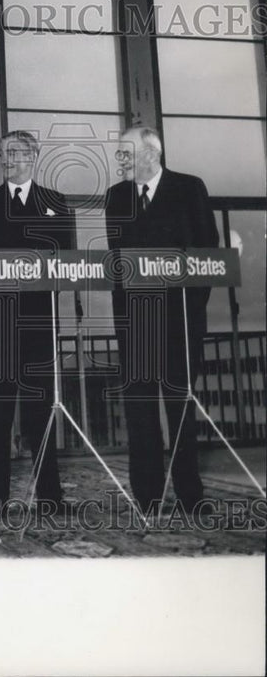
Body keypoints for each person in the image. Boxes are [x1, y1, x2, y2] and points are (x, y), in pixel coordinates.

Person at [0, 130, 76, 518]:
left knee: (41, 412)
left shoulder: (55, 202)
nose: (7, 158)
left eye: (16, 152)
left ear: (33, 157)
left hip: (40, 322)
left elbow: (68, 260)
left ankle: (50, 497)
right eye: (2, 152)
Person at [105, 125, 219, 515]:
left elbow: (207, 252)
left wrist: (192, 308)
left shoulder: (190, 188)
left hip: (180, 322)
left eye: (126, 152)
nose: (120, 159)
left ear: (151, 154)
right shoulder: (116, 196)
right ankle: (148, 496)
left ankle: (190, 494)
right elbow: (118, 262)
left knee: (180, 407)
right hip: (134, 323)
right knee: (139, 409)